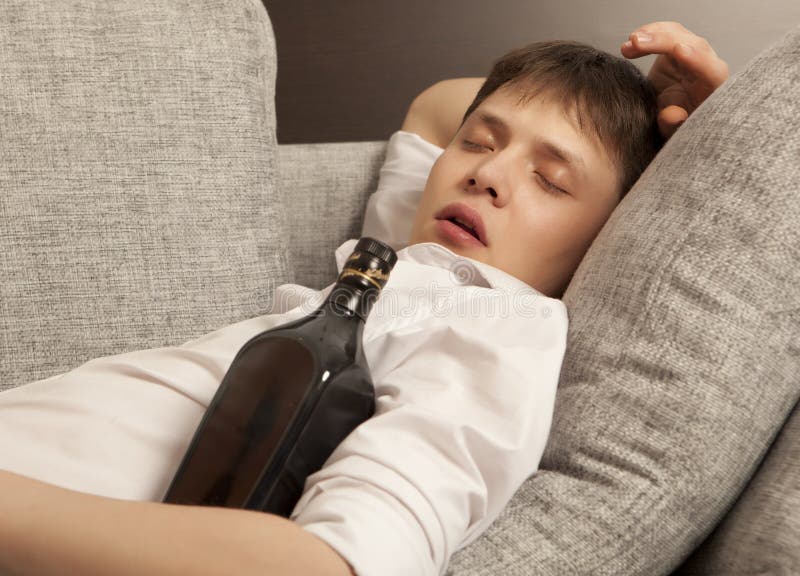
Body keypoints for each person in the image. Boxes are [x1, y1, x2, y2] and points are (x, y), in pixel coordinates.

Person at [0, 21, 728, 576]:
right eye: (484, 144)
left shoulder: (492, 326)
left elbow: (333, 563)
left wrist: (691, 142)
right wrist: (618, 95)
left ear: (612, 234)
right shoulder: (410, 259)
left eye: (552, 179)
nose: (489, 174)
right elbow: (442, 109)